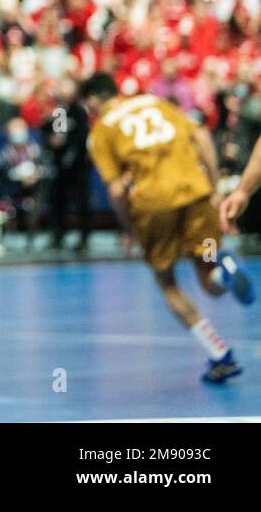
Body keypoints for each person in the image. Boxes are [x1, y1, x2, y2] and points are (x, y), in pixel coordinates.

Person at [82, 73, 253, 384]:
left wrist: (131, 228)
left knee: (168, 283)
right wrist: (213, 188)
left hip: (153, 205)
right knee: (207, 268)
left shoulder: (100, 132)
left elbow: (117, 191)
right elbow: (201, 136)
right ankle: (223, 271)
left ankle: (220, 354)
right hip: (196, 191)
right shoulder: (154, 102)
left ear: (93, 100)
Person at [42, 78, 92, 251]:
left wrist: (72, 153)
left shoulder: (79, 111)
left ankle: (84, 237)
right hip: (59, 165)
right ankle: (58, 235)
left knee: (81, 202)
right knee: (57, 201)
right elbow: (48, 135)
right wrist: (51, 141)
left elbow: (82, 137)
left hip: (77, 166)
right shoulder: (56, 112)